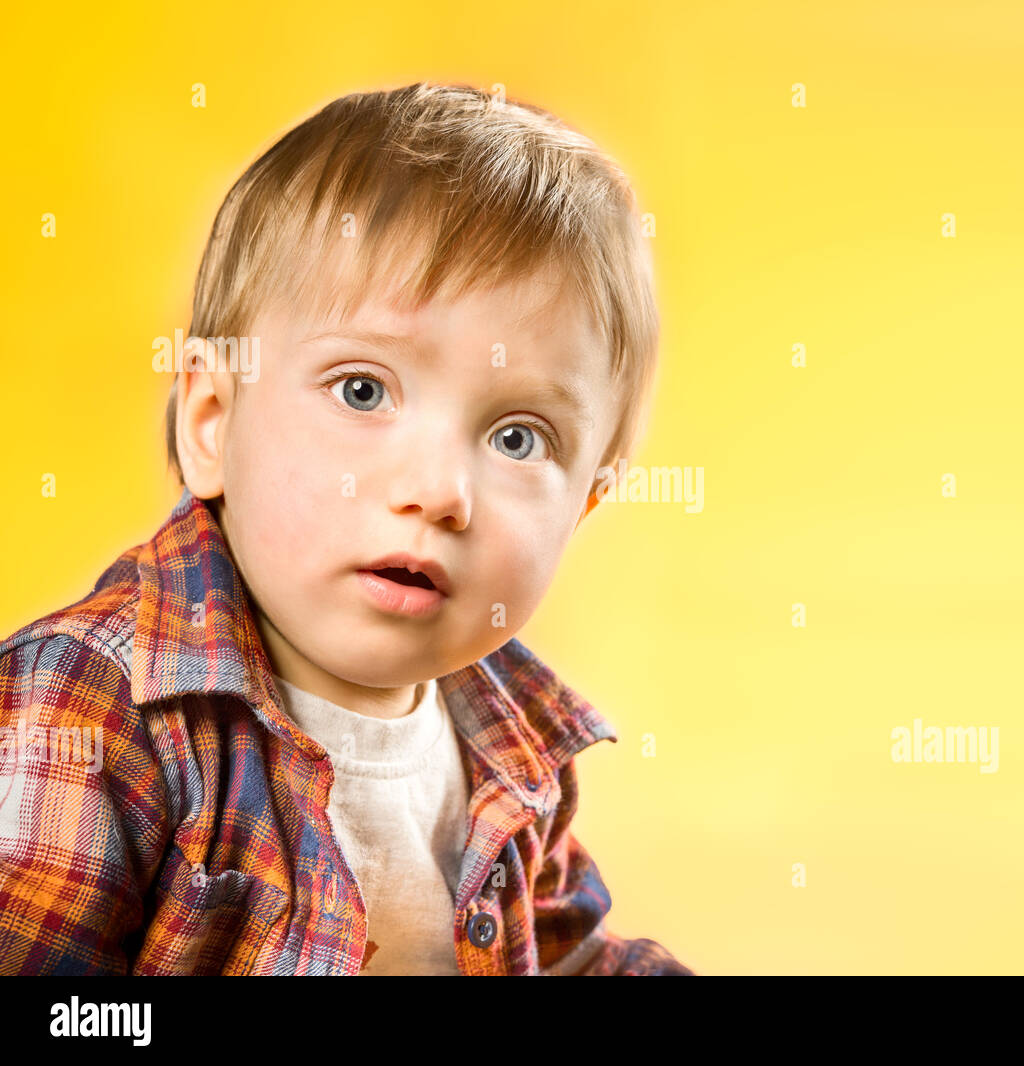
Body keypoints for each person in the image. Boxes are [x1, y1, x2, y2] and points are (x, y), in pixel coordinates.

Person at [0, 83, 692, 976]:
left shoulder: (512, 734)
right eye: (362, 390)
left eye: (518, 437)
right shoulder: (89, 709)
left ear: (584, 506)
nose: (440, 491)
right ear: (213, 421)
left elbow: (572, 958)